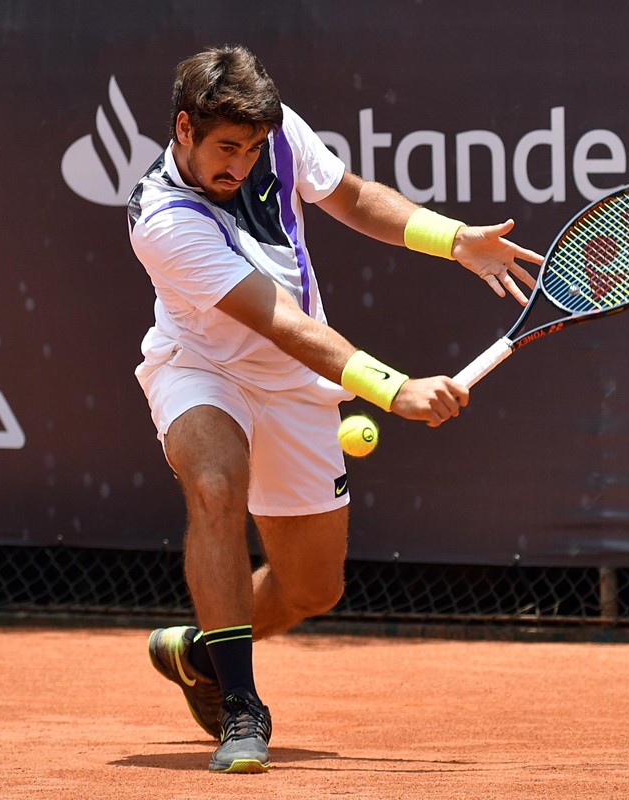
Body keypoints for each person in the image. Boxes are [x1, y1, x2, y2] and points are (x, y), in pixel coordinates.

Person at [128, 44, 541, 774]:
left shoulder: (276, 133)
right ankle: (241, 707)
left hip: (297, 383)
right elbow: (280, 321)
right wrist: (393, 388)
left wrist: (453, 240)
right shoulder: (161, 218)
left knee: (313, 587)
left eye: (255, 148)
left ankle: (201, 651)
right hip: (202, 366)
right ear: (184, 129)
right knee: (216, 485)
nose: (245, 164)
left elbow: (349, 197)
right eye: (228, 148)